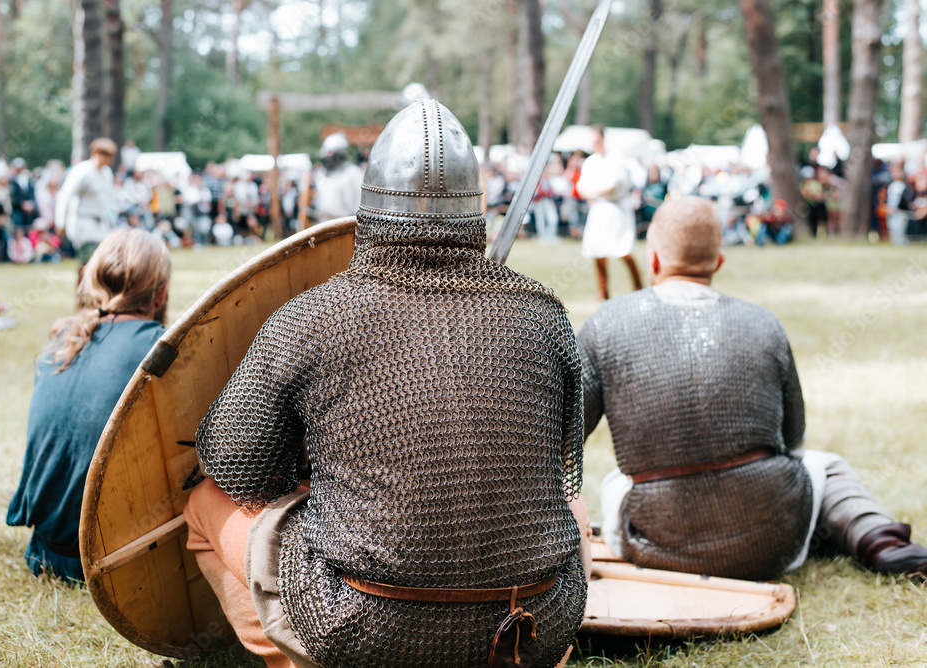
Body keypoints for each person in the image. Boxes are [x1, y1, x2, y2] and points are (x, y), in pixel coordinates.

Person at [185, 100, 585, 668]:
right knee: (574, 508)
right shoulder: (543, 316)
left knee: (205, 503)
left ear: (370, 212)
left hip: (365, 629)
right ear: (475, 214)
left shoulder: (311, 318)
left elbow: (232, 463)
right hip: (524, 629)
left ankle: (296, 661)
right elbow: (563, 462)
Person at [576, 196, 927, 581]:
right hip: (772, 540)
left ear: (654, 260)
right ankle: (881, 540)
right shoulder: (765, 324)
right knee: (825, 467)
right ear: (719, 263)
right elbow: (794, 442)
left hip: (658, 540)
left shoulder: (605, 323)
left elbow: (566, 441)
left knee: (615, 482)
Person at [6, 228, 171, 582]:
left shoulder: (63, 340)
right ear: (160, 294)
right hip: (115, 559)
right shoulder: (158, 349)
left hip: (47, 551)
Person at [576, 125, 643, 300]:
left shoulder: (616, 158)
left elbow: (613, 185)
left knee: (623, 249)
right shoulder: (590, 162)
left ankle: (639, 287)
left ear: (602, 138)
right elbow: (582, 188)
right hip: (599, 209)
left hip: (617, 209)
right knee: (597, 251)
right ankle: (603, 291)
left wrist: (594, 192)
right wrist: (596, 192)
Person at [55, 137, 118, 267]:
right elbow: (65, 195)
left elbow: (109, 199)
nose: (110, 159)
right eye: (107, 155)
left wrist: (112, 218)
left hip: (101, 223)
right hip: (82, 221)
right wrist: (60, 222)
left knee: (103, 262)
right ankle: (84, 287)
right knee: (87, 261)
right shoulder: (82, 170)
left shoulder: (107, 172)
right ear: (96, 153)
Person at [313, 131, 363, 224]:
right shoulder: (322, 174)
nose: (328, 157)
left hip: (345, 225)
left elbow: (359, 203)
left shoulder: (353, 173)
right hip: (324, 223)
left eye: (330, 153)